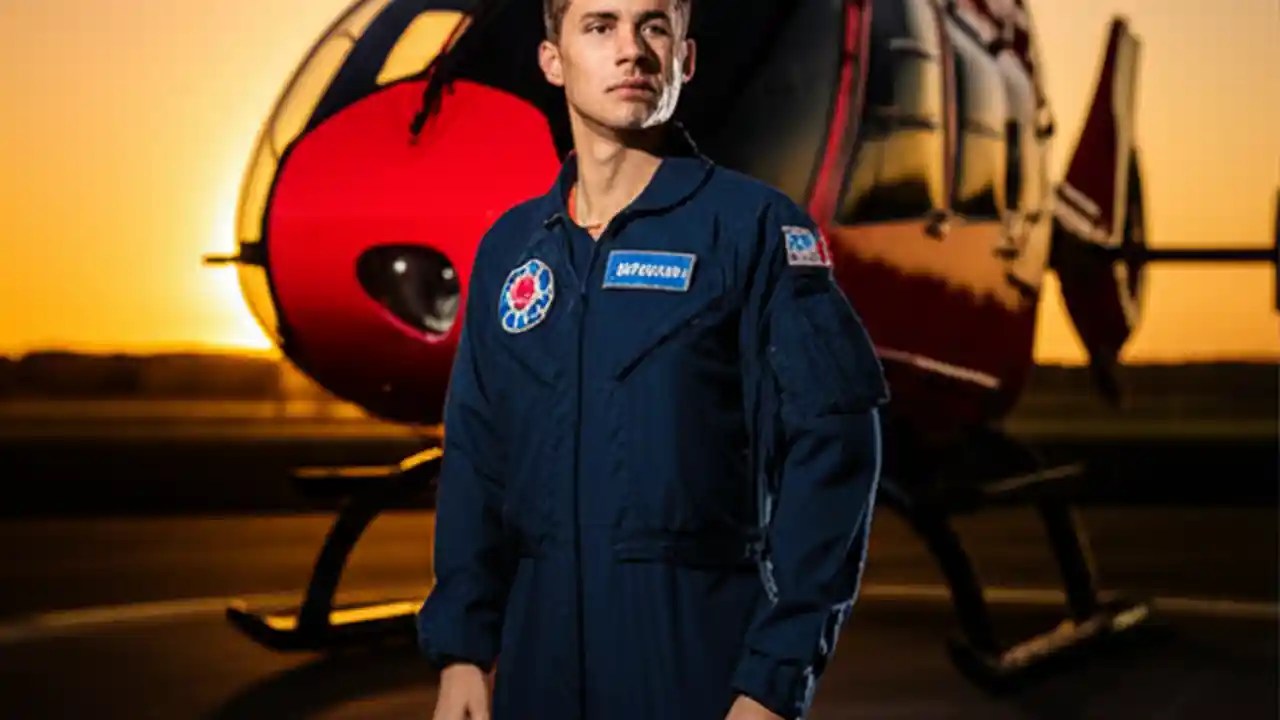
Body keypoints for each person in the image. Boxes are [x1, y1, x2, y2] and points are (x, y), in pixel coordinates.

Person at [417, 0, 889, 718]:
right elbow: (476, 461)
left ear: (685, 59)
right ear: (554, 61)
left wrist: (772, 679)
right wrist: (462, 651)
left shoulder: (753, 230)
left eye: (655, 26)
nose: (631, 50)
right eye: (600, 26)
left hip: (692, 660)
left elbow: (836, 451)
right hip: (536, 669)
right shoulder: (512, 251)